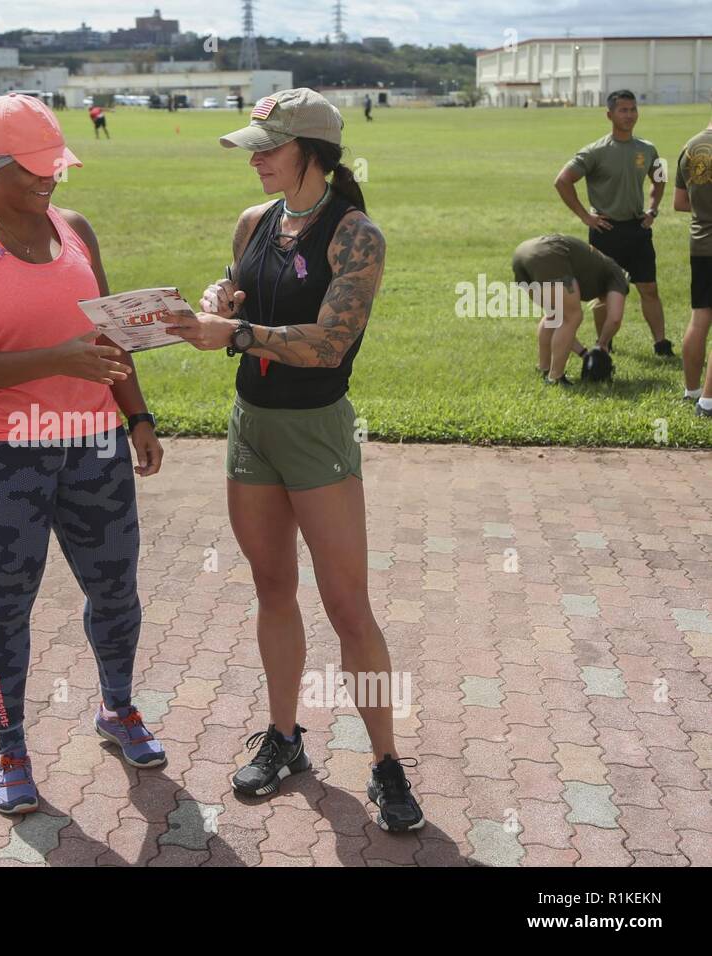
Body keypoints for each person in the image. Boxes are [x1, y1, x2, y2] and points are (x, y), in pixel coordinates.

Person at [163, 88, 424, 832]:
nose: (255, 157)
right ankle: (285, 739)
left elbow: (330, 343)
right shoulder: (257, 220)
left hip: (316, 431)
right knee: (273, 588)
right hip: (252, 429)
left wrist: (236, 332)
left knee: (348, 607)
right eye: (253, 145)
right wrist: (224, 295)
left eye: (268, 147)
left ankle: (385, 764)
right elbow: (241, 286)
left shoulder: (356, 235)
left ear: (311, 151)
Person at [0, 93, 166, 815]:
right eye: (32, 170)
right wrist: (54, 358)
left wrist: (138, 415)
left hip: (95, 442)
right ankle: (12, 750)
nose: (49, 180)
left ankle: (117, 710)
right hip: (0, 453)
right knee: (8, 603)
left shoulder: (76, 229)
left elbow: (112, 338)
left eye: (54, 165)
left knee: (116, 588)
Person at [554, 90, 672, 357]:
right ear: (610, 115)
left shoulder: (647, 148)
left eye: (633, 110)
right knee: (605, 294)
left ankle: (661, 344)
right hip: (605, 232)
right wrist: (587, 217)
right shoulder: (595, 151)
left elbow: (661, 177)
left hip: (637, 229)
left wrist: (652, 210)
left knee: (649, 288)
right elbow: (562, 180)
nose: (629, 115)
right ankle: (604, 345)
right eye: (623, 110)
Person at [510, 234, 629, 385]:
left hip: (523, 252)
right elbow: (615, 318)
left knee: (554, 316)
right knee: (572, 317)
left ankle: (544, 368)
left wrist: (585, 354)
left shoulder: (597, 268)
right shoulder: (618, 275)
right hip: (551, 254)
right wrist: (602, 344)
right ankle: (555, 377)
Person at [674, 106, 712, 415]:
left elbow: (680, 202)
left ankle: (691, 390)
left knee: (700, 317)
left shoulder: (691, 146)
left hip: (700, 244)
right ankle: (709, 402)